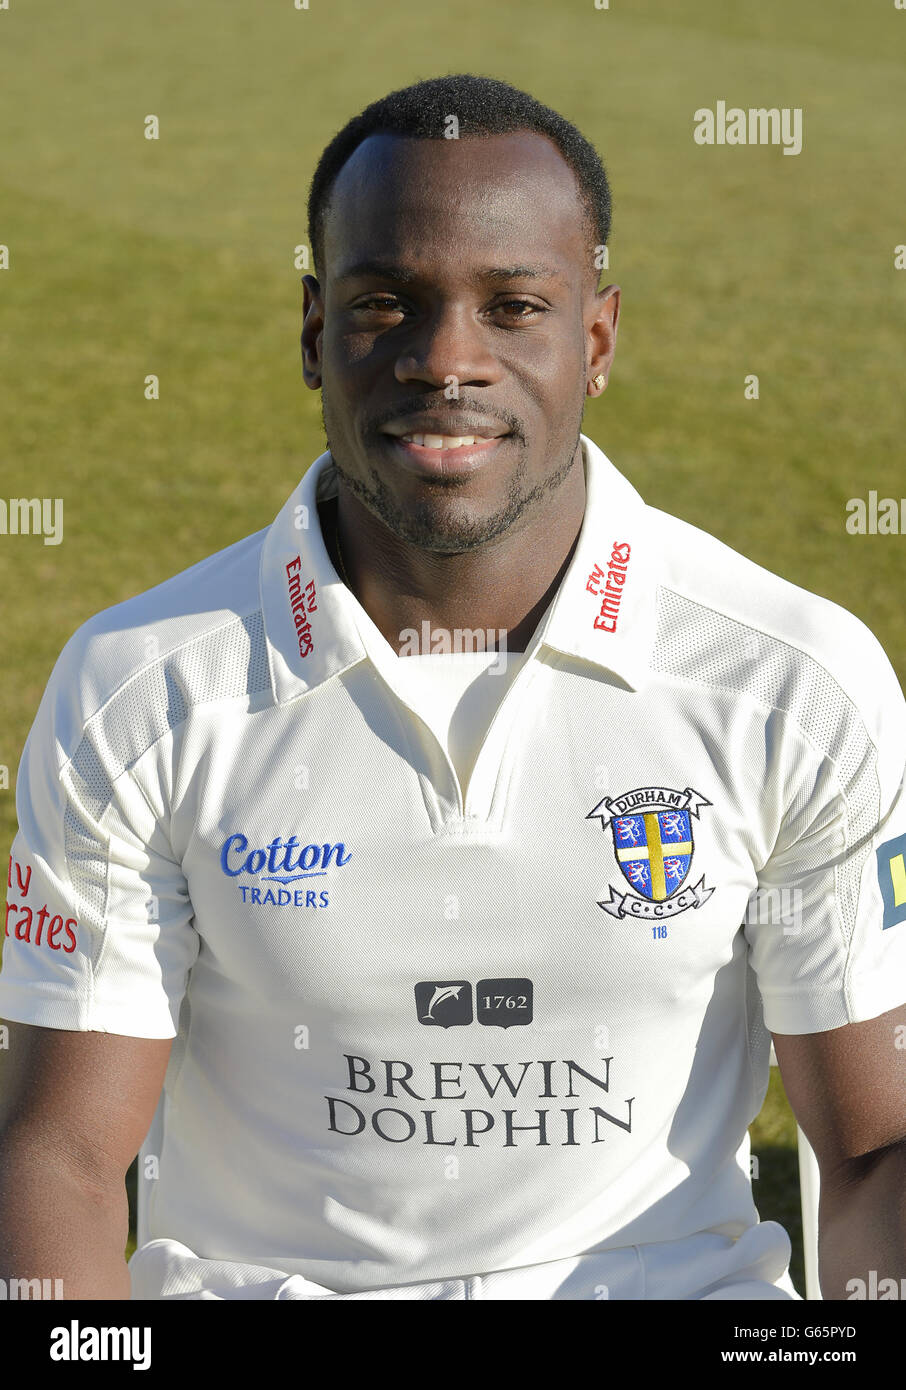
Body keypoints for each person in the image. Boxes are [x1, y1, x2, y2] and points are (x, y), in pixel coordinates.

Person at [2, 73, 905, 1302]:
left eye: (515, 306)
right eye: (387, 304)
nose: (447, 363)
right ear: (314, 332)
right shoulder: (143, 687)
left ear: (596, 339)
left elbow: (872, 1150)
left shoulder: (790, 680)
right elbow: (58, 1154)